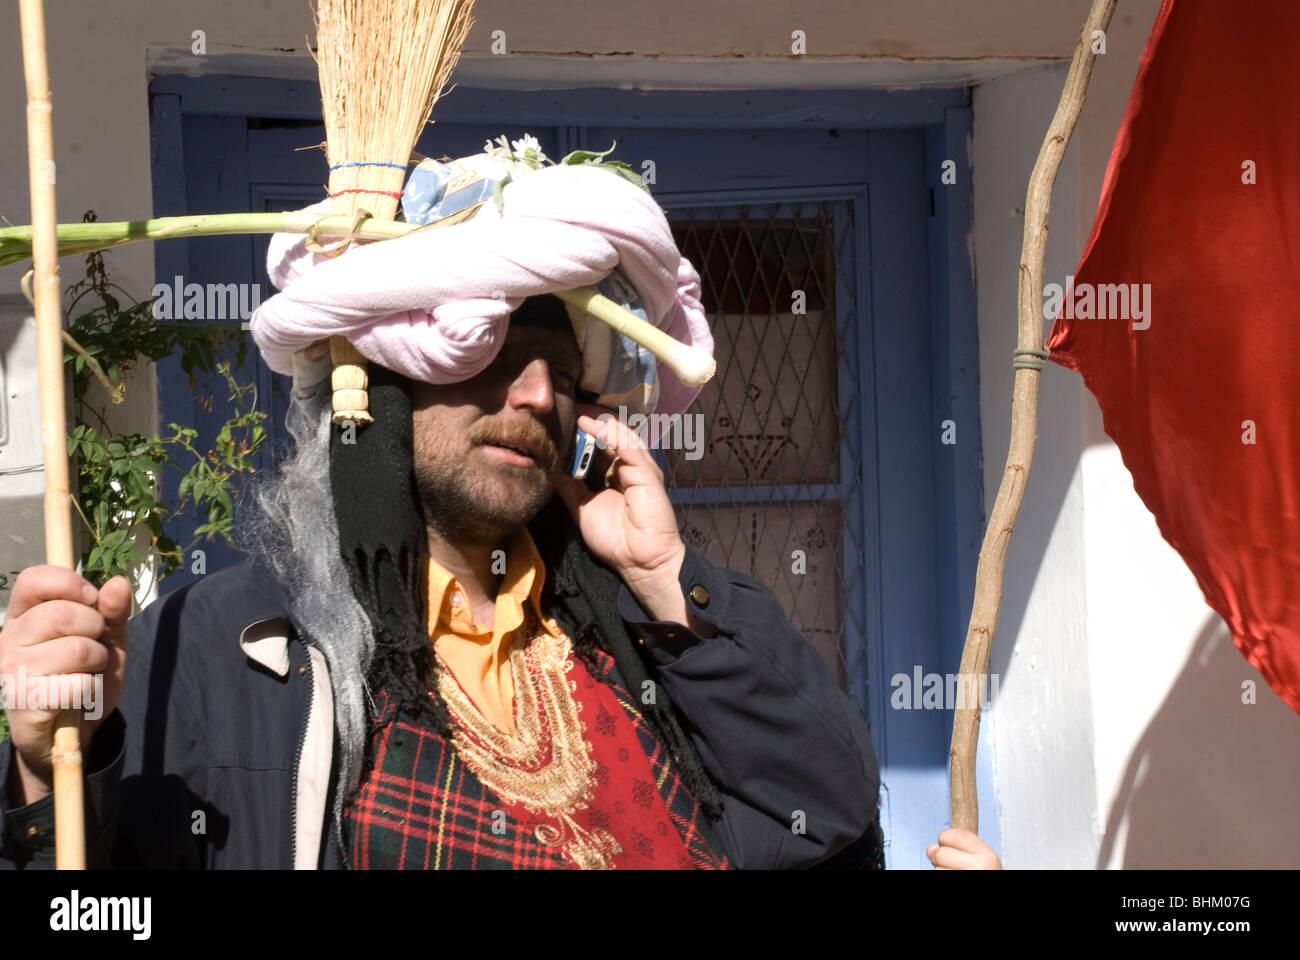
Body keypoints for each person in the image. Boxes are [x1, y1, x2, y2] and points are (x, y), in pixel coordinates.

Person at [0, 147, 1001, 870]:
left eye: (559, 373)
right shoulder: (224, 650)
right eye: (483, 360)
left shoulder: (623, 630)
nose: (532, 398)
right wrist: (51, 781)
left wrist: (665, 582)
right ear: (375, 391)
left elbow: (820, 815)